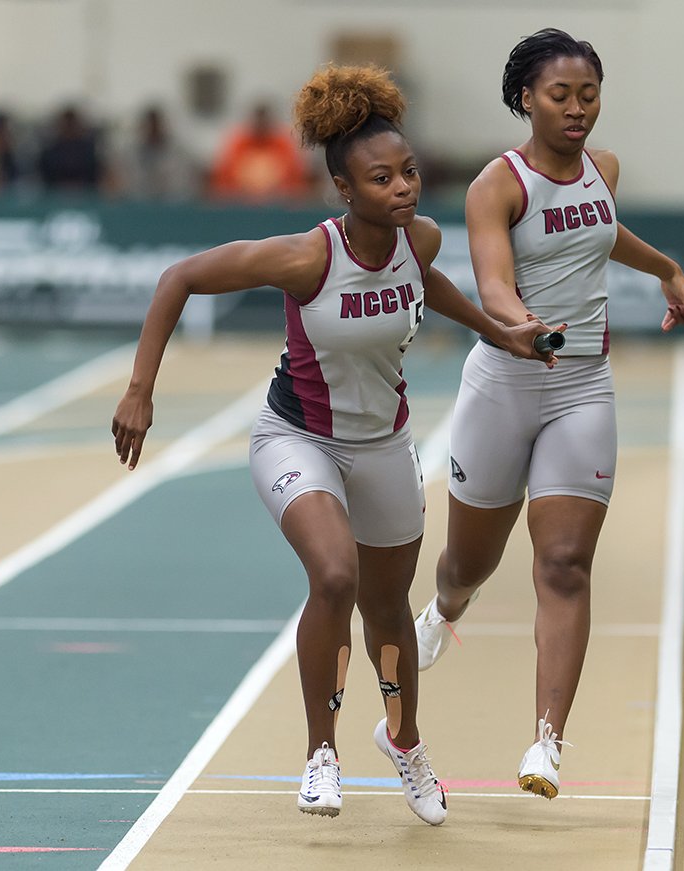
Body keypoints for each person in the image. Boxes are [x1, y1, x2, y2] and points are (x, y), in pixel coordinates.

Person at [111, 64, 555, 826]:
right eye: (381, 179)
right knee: (333, 575)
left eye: (409, 172)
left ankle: (404, 740)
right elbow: (180, 276)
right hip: (297, 438)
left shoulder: (420, 239)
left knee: (389, 612)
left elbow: (431, 286)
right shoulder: (305, 258)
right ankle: (322, 752)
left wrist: (500, 331)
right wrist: (140, 389)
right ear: (344, 191)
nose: (403, 187)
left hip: (384, 447)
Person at [414, 28, 684, 800]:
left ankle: (545, 742)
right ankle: (441, 610)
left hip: (581, 387)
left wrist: (665, 267)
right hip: (505, 382)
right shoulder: (495, 185)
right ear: (524, 100)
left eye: (589, 95)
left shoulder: (602, 169)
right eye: (560, 96)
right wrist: (519, 325)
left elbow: (602, 233)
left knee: (564, 564)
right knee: (466, 563)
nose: (578, 110)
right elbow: (493, 280)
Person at [209, 101, 311, 201]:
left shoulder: (283, 144)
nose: (261, 125)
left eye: (264, 121)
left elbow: (296, 179)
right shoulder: (239, 143)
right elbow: (224, 178)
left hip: (277, 204)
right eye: (258, 121)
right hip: (241, 204)